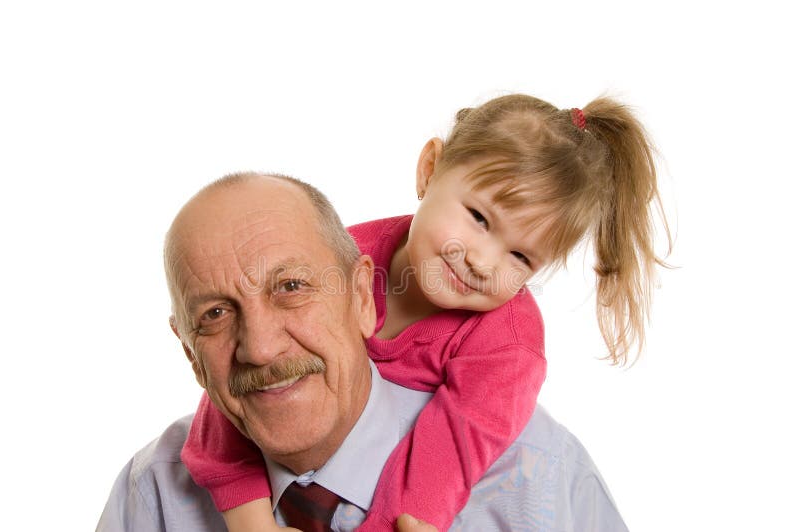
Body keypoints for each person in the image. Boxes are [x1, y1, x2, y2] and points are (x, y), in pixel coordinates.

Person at [183, 95, 669, 530]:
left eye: (520, 257)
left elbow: (447, 455)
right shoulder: (341, 257)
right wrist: (249, 519)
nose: (482, 260)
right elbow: (249, 362)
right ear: (429, 169)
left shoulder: (507, 346)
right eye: (478, 218)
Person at [97, 173, 629, 531]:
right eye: (215, 314)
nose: (259, 349)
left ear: (359, 296)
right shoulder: (154, 496)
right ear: (190, 354)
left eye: (291, 287)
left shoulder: (539, 476)